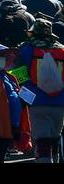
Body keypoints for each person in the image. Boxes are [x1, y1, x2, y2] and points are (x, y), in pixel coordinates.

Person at [17, 17, 64, 162]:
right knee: (55, 137)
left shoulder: (26, 49)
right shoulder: (62, 49)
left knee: (42, 139)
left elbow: (18, 75)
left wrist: (24, 96)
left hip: (36, 101)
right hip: (60, 102)